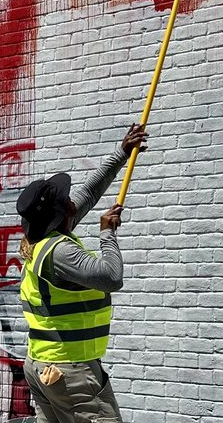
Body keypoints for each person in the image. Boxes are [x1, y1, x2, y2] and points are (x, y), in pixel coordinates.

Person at [17, 123, 147, 423]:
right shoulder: (60, 252)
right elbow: (111, 277)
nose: (72, 201)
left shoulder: (41, 242)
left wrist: (122, 153)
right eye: (66, 202)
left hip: (42, 366)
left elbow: (88, 193)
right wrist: (107, 234)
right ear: (62, 215)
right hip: (70, 371)